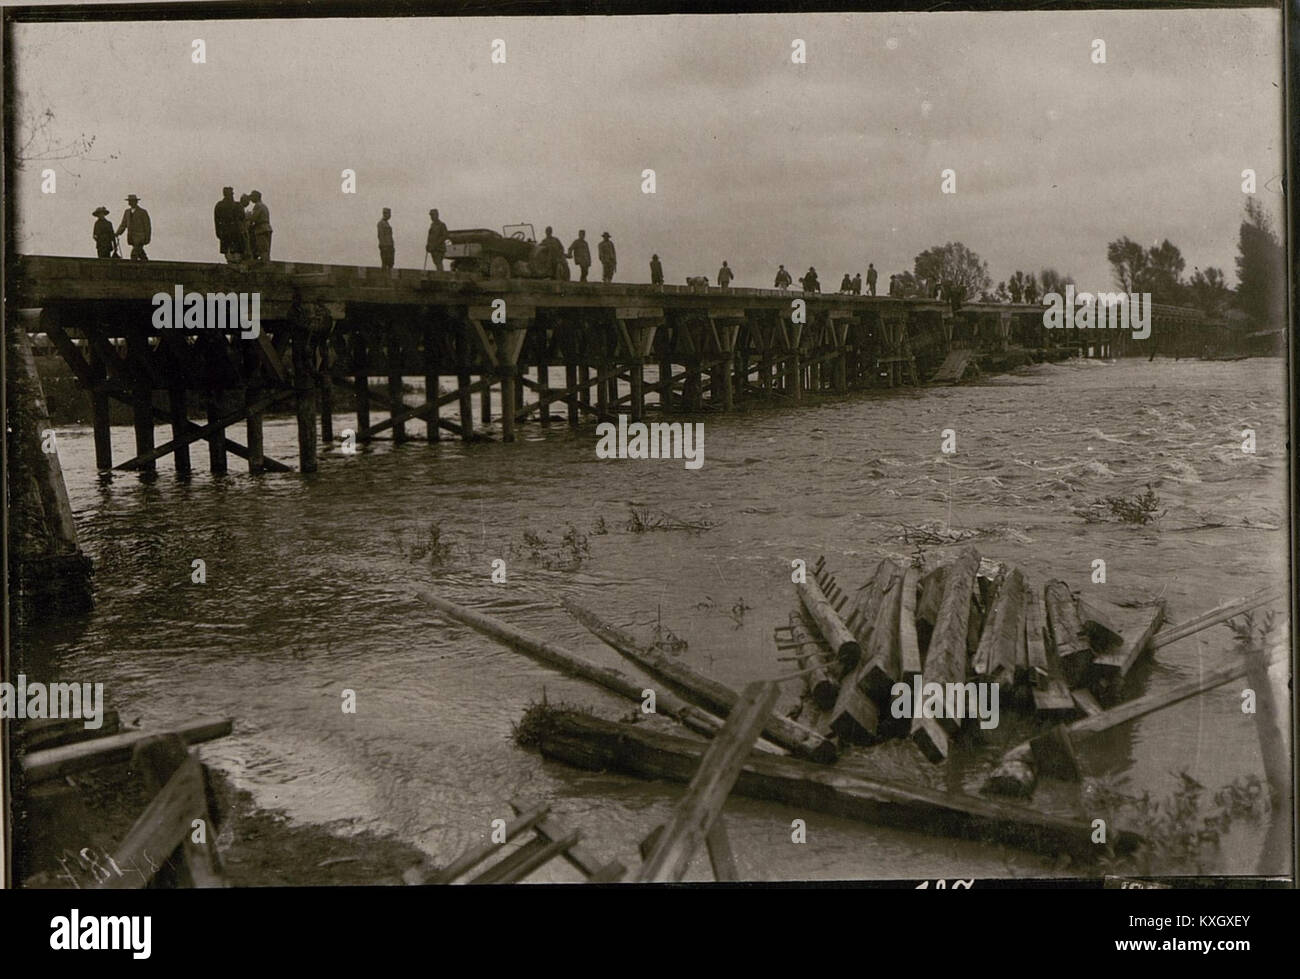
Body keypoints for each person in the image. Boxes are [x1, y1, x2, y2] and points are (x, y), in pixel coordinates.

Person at [213, 187, 244, 263]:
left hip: (225, 233)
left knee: (228, 253)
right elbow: (242, 217)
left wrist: (218, 233)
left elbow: (216, 220)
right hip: (236, 233)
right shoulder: (237, 205)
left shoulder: (219, 205)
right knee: (236, 253)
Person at [116, 194, 151, 261]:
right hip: (131, 237)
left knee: (134, 254)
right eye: (129, 201)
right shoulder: (127, 212)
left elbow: (147, 226)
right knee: (140, 253)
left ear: (136, 202)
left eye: (132, 201)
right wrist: (117, 233)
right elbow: (123, 224)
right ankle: (146, 264)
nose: (130, 202)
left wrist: (147, 238)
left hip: (140, 237)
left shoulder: (143, 212)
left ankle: (132, 267)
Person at [247, 190, 272, 263]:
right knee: (266, 250)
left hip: (261, 230)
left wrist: (247, 215)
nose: (251, 199)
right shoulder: (264, 206)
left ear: (256, 197)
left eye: (252, 197)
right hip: (267, 228)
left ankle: (265, 266)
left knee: (263, 249)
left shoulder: (258, 205)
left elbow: (253, 218)